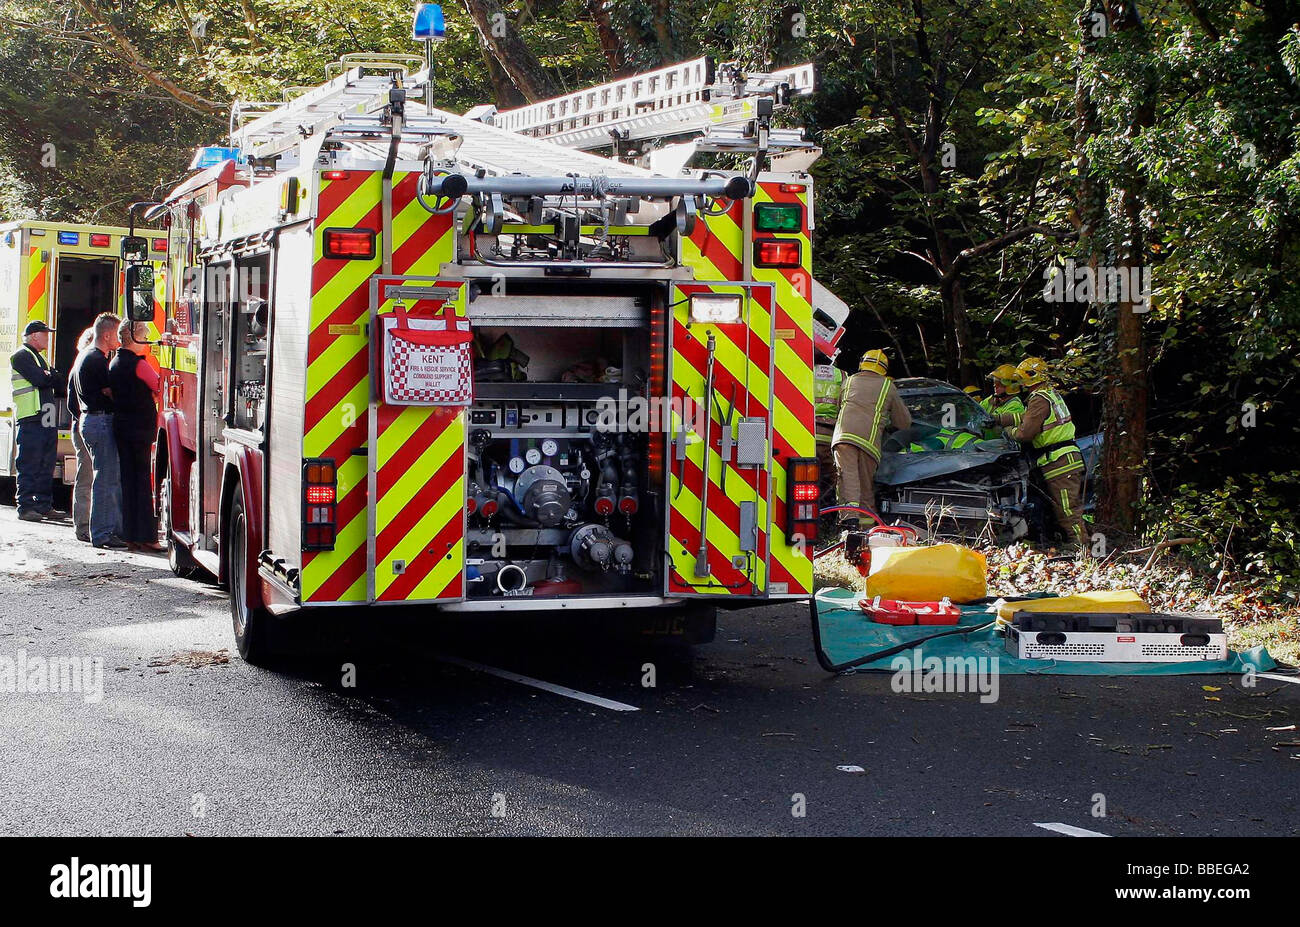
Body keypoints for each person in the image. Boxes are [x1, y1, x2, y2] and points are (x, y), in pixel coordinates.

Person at [995, 356, 1085, 553]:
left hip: (1059, 460)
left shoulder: (1039, 399)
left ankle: (1081, 547)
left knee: (1067, 508)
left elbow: (1025, 432)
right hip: (1062, 458)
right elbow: (1028, 416)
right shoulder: (1048, 395)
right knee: (1063, 507)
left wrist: (1008, 431)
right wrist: (1000, 419)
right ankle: (1074, 543)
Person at [832, 349, 911, 529]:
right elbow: (904, 422)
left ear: (862, 364)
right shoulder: (887, 386)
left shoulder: (848, 381)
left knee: (847, 478)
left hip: (843, 437)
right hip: (869, 442)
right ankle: (867, 528)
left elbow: (839, 409)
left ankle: (848, 521)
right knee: (866, 487)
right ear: (883, 369)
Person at [69, 312, 126, 549]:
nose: (120, 340)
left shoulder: (85, 356)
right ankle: (102, 534)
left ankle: (102, 530)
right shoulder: (97, 360)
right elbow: (110, 392)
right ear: (106, 334)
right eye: (117, 335)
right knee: (106, 480)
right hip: (99, 421)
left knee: (102, 477)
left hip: (90, 420)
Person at [108, 319, 162, 552]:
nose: (148, 337)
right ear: (136, 336)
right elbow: (160, 386)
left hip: (122, 427)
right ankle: (148, 536)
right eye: (145, 332)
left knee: (128, 482)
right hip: (141, 429)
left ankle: (130, 534)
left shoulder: (115, 363)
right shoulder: (139, 365)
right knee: (142, 483)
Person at [9, 320, 62, 521]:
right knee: (29, 463)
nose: (48, 337)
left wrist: (49, 375)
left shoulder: (40, 359)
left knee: (46, 463)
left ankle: (43, 505)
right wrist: (48, 376)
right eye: (45, 334)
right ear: (34, 336)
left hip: (46, 416)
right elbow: (40, 380)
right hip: (30, 417)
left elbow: (59, 380)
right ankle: (25, 507)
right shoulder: (21, 356)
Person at [67, 327, 96, 541]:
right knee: (85, 477)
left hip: (80, 425)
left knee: (87, 477)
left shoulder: (79, 364)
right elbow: (72, 404)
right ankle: (83, 526)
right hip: (81, 425)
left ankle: (86, 524)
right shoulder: (82, 366)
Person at [812, 349, 846, 499]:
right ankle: (836, 510)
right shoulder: (843, 375)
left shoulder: (806, 371)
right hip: (831, 435)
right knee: (834, 478)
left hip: (807, 432)